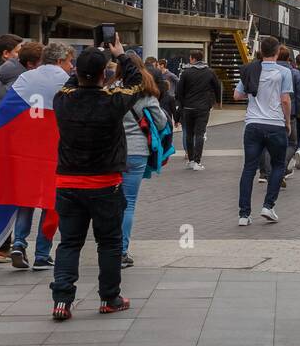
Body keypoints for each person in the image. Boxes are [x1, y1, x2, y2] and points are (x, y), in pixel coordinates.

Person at [49, 38, 147, 320]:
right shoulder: (114, 102)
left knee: (69, 242)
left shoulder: (62, 100)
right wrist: (121, 54)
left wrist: (87, 63)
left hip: (68, 183)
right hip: (105, 183)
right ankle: (109, 298)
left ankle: (62, 300)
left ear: (76, 72)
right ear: (105, 74)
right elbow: (137, 79)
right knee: (109, 242)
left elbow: (73, 80)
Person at [9, 42, 74, 270]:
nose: (71, 66)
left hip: (27, 149)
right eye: (68, 61)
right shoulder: (66, 81)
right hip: (55, 150)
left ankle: (18, 243)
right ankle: (42, 254)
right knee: (51, 202)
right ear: (59, 60)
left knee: (25, 200)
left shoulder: (25, 78)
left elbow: (7, 112)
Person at [233, 37, 293, 226]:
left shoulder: (250, 70)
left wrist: (252, 93)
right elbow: (285, 100)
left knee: (249, 168)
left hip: (253, 124)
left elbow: (237, 95)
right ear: (277, 52)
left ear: (261, 51)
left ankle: (244, 214)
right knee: (277, 165)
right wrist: (287, 121)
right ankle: (268, 205)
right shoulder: (284, 72)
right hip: (275, 124)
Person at [119, 61, 168, 269]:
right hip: (137, 151)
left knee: (110, 202)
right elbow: (161, 122)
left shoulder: (111, 91)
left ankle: (107, 245)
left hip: (112, 152)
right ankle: (121, 250)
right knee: (128, 202)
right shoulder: (146, 96)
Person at [177, 49, 222, 169]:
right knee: (200, 134)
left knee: (189, 134)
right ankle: (197, 161)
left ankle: (191, 160)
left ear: (193, 59)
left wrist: (181, 104)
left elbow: (179, 91)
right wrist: (216, 101)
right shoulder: (210, 72)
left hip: (188, 107)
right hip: (203, 108)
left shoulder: (186, 73)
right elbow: (217, 87)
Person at [274, 46, 300, 181]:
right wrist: (296, 111)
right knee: (292, 143)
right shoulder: (294, 73)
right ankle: (282, 166)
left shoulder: (269, 70)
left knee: (273, 143)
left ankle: (270, 170)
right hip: (290, 113)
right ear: (288, 58)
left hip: (272, 113)